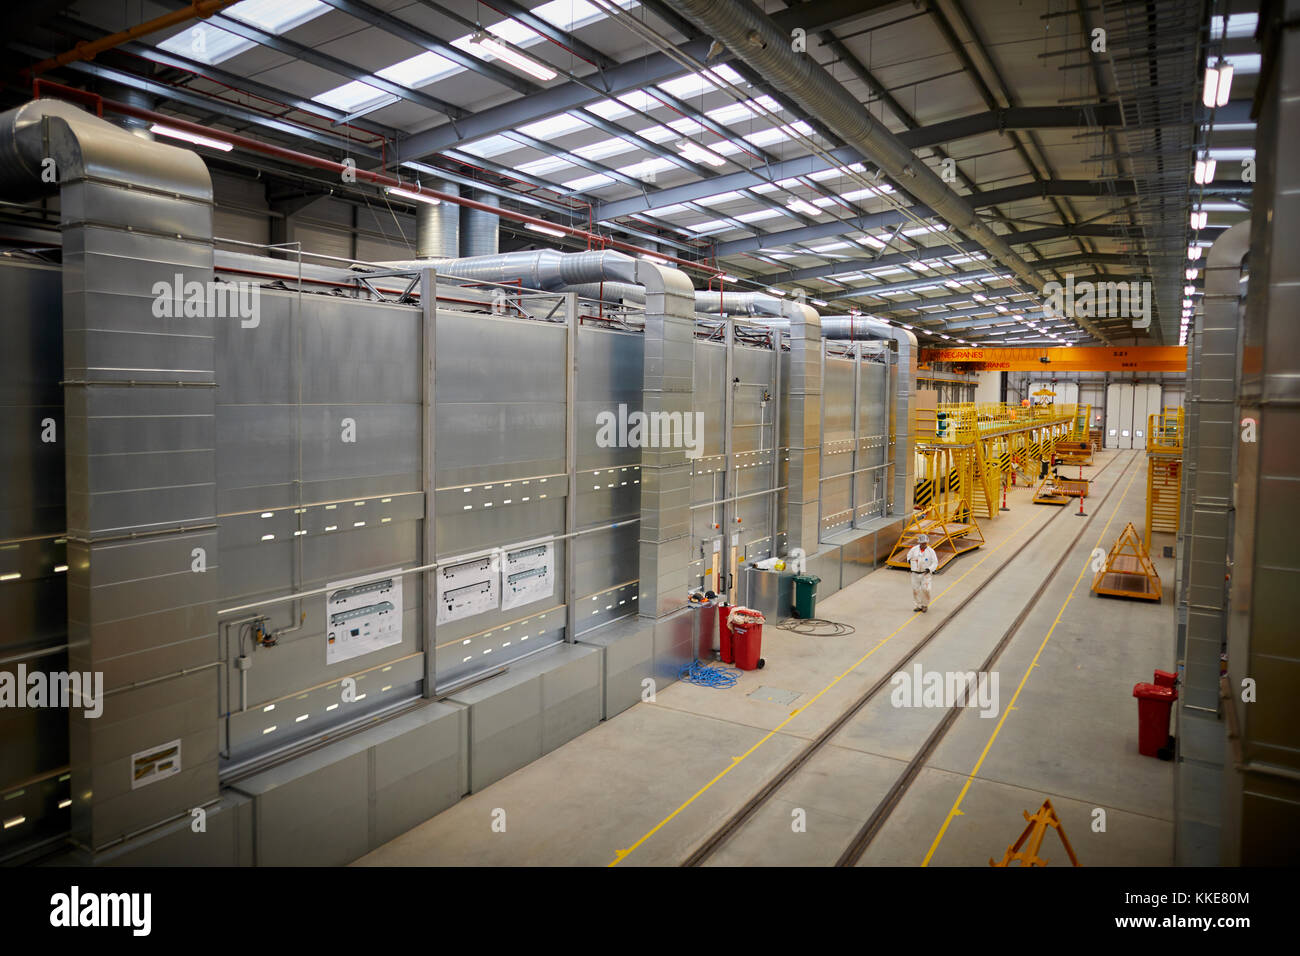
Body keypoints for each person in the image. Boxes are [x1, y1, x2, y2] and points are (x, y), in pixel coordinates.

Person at [906, 534, 939, 612]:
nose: (924, 544)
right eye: (922, 543)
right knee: (915, 590)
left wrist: (930, 569)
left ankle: (925, 605)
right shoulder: (914, 550)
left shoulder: (931, 551)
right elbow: (908, 556)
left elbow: (935, 562)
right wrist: (910, 562)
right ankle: (918, 605)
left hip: (926, 574)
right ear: (919, 543)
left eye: (925, 543)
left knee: (926, 589)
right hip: (915, 574)